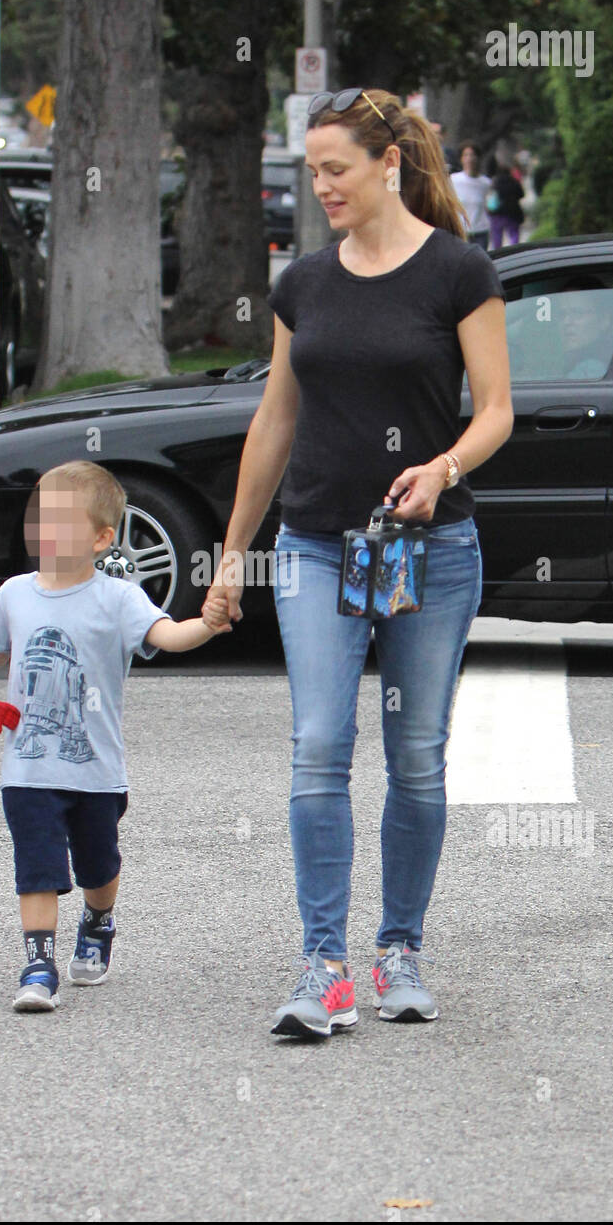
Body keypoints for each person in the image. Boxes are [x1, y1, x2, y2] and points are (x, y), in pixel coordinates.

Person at [203, 87, 513, 1038]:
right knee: (318, 746)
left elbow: (497, 409)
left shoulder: (459, 273)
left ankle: (400, 950)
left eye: (335, 169)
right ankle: (323, 964)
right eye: (313, 173)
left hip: (434, 549)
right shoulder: (303, 284)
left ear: (388, 163)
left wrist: (443, 466)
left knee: (416, 755)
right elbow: (276, 419)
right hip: (312, 545)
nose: (321, 187)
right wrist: (231, 556)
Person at [0, 461, 229, 1012]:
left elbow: (167, 634)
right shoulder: (14, 594)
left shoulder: (118, 599)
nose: (44, 529)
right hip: (28, 766)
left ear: (100, 538)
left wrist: (206, 623)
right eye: (39, 517)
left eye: (61, 521)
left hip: (96, 770)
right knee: (37, 862)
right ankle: (38, 965)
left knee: (99, 866)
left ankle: (98, 918)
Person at [450, 141, 492, 248]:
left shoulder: (486, 183)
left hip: (481, 231)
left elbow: (490, 205)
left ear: (478, 158)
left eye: (473, 155)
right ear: (461, 159)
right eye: (466, 155)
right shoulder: (453, 180)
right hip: (461, 232)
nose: (469, 159)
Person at [487, 165, 525, 249]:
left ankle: (498, 254)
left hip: (497, 213)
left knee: (497, 236)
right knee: (514, 234)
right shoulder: (514, 182)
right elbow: (521, 194)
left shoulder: (494, 183)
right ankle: (514, 251)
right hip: (512, 212)